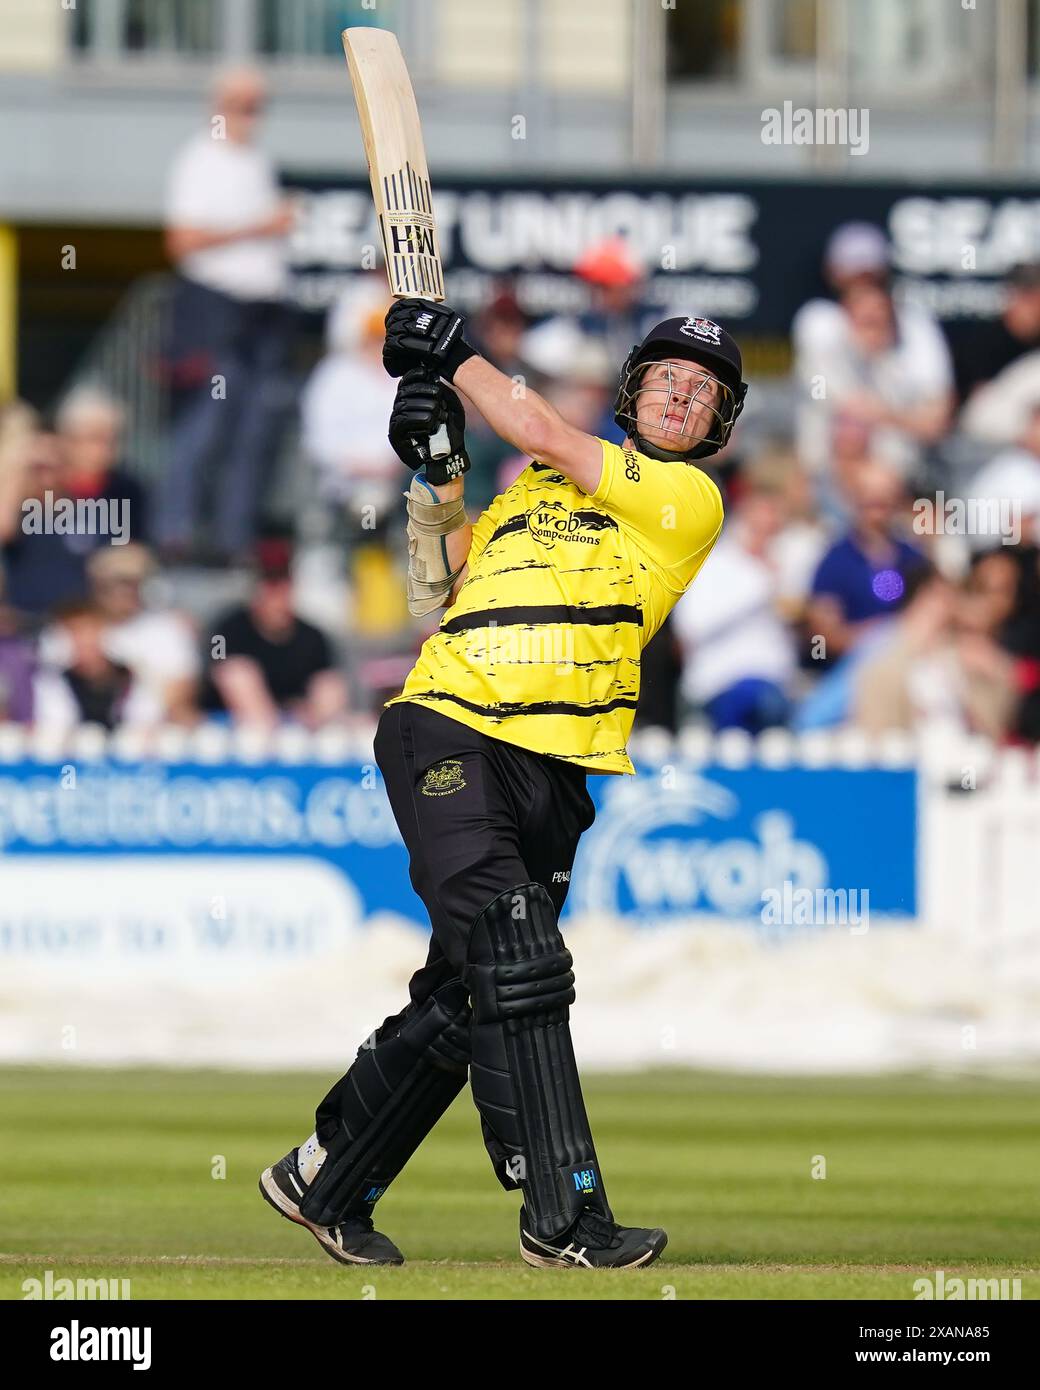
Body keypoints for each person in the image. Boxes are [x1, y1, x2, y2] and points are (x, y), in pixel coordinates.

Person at [259, 305, 746, 1269]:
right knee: (519, 958)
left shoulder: (686, 502)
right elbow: (437, 589)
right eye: (666, 377)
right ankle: (564, 1216)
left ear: (719, 424)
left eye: (705, 390)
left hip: (556, 770)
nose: (682, 395)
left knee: (473, 994)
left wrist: (459, 358)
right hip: (451, 721)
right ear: (632, 389)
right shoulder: (531, 486)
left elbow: (538, 427)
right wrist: (436, 473)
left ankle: (327, 1175)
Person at [160, 66, 296, 560]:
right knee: (204, 428)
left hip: (262, 314)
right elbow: (183, 241)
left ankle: (233, 540)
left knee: (253, 434)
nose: (251, 117)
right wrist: (260, 227)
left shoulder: (256, 161)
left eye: (258, 106)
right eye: (242, 105)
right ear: (219, 105)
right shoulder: (201, 159)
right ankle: (175, 535)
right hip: (216, 312)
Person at [671, 487, 796, 732]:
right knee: (760, 703)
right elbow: (691, 627)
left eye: (772, 531)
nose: (765, 538)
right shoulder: (712, 564)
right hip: (720, 685)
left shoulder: (784, 564)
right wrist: (760, 584)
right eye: (758, 530)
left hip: (777, 685)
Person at [203, 536, 349, 730]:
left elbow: (327, 694)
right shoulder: (228, 631)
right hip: (233, 730)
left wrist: (305, 714)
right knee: (239, 674)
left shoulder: (313, 638)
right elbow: (230, 683)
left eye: (284, 582)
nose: (278, 593)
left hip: (299, 729)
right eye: (270, 583)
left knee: (331, 689)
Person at [56, 386, 150, 544]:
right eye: (95, 439)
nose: (106, 450)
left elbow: (141, 545)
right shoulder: (42, 487)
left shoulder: (128, 491)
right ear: (67, 439)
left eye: (113, 440)